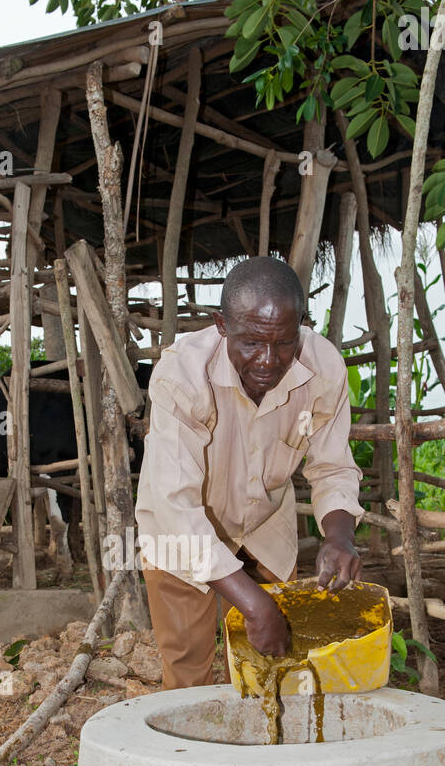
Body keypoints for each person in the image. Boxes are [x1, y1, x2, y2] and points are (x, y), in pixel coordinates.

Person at [135, 255, 364, 690]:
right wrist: (255, 606)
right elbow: (174, 506)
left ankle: (264, 754)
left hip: (264, 526)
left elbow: (332, 465)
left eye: (283, 343)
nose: (268, 361)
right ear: (222, 325)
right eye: (252, 343)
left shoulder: (323, 368)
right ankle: (194, 757)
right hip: (179, 534)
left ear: (302, 324)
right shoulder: (183, 374)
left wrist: (338, 538)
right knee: (188, 671)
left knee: (273, 669)